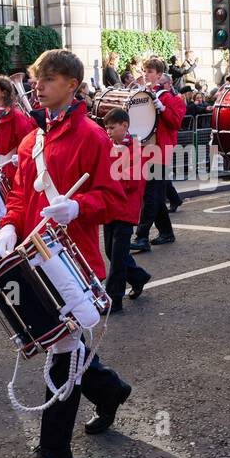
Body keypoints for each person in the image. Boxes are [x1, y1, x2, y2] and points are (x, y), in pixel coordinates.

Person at [0, 49, 131, 458]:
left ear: (72, 85)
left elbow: (114, 199)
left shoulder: (92, 136)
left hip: (74, 260)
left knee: (62, 348)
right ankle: (110, 390)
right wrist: (10, 226)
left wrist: (78, 207)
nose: (38, 85)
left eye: (49, 79)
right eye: (37, 78)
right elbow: (18, 196)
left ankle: (54, 449)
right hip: (35, 257)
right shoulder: (32, 139)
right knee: (62, 345)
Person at [130, 58, 186, 250]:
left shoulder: (173, 99)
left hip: (161, 151)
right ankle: (166, 232)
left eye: (150, 71)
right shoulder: (144, 94)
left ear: (160, 75)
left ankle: (142, 237)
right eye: (145, 70)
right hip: (146, 150)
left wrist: (161, 108)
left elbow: (175, 124)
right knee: (155, 194)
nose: (146, 74)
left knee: (151, 195)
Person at [102, 107, 150, 313]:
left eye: (112, 128)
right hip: (110, 206)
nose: (109, 132)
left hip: (126, 208)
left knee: (118, 255)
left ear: (125, 126)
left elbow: (131, 180)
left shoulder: (138, 148)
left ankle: (114, 298)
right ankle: (138, 277)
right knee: (111, 253)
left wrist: (108, 178)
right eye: (107, 128)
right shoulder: (110, 146)